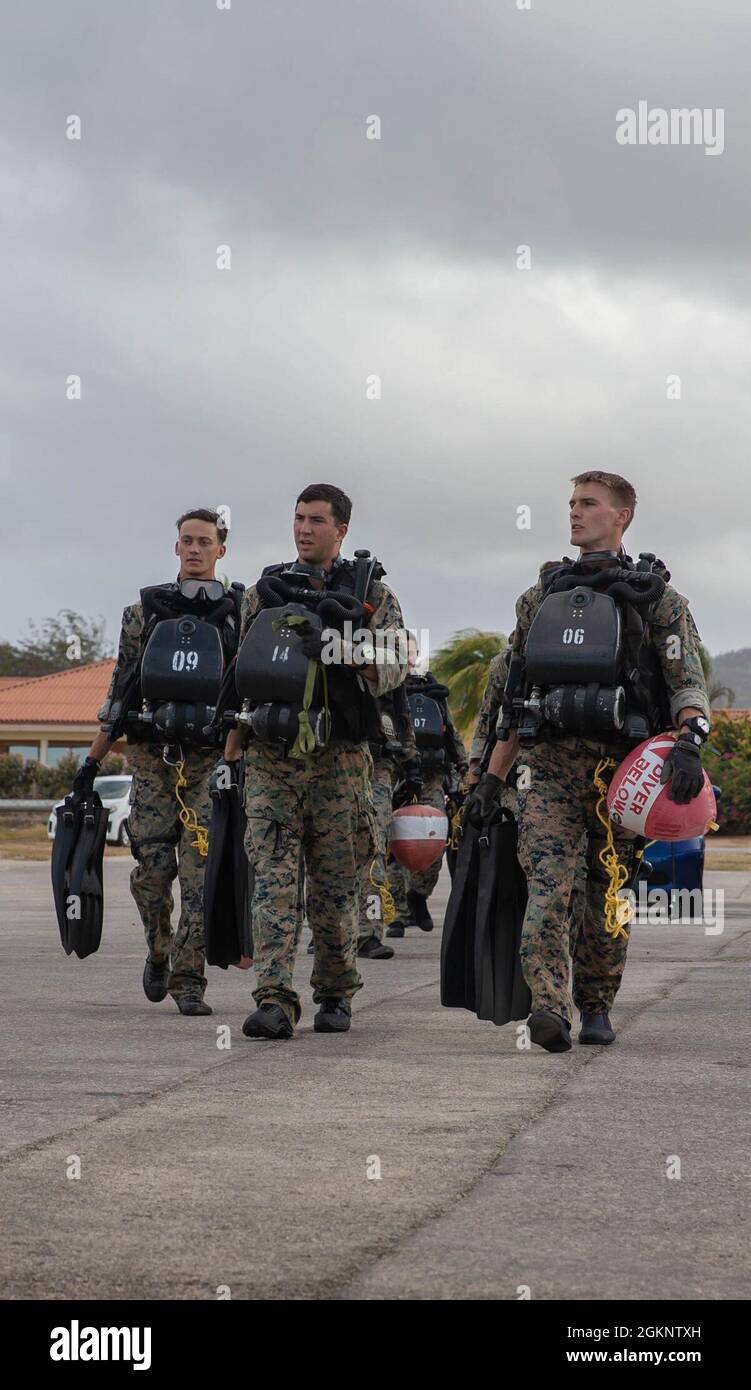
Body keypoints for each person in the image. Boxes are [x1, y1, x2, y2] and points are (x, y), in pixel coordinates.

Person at [467, 472, 710, 1052]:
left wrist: (688, 743)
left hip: (622, 775)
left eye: (589, 504)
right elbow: (512, 697)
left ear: (622, 516)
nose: (575, 513)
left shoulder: (660, 603)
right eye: (572, 503)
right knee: (549, 886)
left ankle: (597, 1002)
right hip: (546, 768)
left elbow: (686, 683)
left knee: (609, 892)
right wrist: (486, 779)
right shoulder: (539, 600)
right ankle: (549, 1007)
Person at [222, 484, 408, 1040]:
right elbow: (240, 676)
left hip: (341, 761)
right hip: (272, 758)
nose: (305, 529)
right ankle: (275, 999)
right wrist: (230, 757)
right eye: (299, 519)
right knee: (274, 880)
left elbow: (398, 661)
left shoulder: (371, 592)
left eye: (317, 520)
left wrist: (340, 648)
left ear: (341, 529)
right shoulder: (264, 591)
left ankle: (334, 990)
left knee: (334, 887)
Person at [80, 508, 243, 1015]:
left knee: (198, 875)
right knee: (152, 874)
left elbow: (244, 692)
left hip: (207, 762)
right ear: (176, 548)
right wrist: (91, 762)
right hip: (153, 760)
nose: (194, 549)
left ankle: (189, 981)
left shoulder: (241, 612)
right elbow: (122, 687)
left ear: (221, 549)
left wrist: (234, 758)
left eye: (205, 541)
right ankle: (158, 950)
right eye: (186, 541)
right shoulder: (143, 612)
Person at [386, 641, 468, 937]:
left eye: (410, 652)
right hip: (392, 775)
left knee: (434, 843)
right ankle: (395, 913)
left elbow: (452, 735)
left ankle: (417, 895)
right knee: (391, 848)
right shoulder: (381, 685)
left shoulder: (432, 692)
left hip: (431, 777)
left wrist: (463, 773)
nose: (407, 658)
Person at [356, 682, 421, 958]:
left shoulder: (384, 654)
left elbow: (401, 714)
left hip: (378, 766)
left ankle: (369, 933)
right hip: (334, 757)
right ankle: (332, 930)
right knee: (329, 849)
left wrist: (411, 763)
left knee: (374, 846)